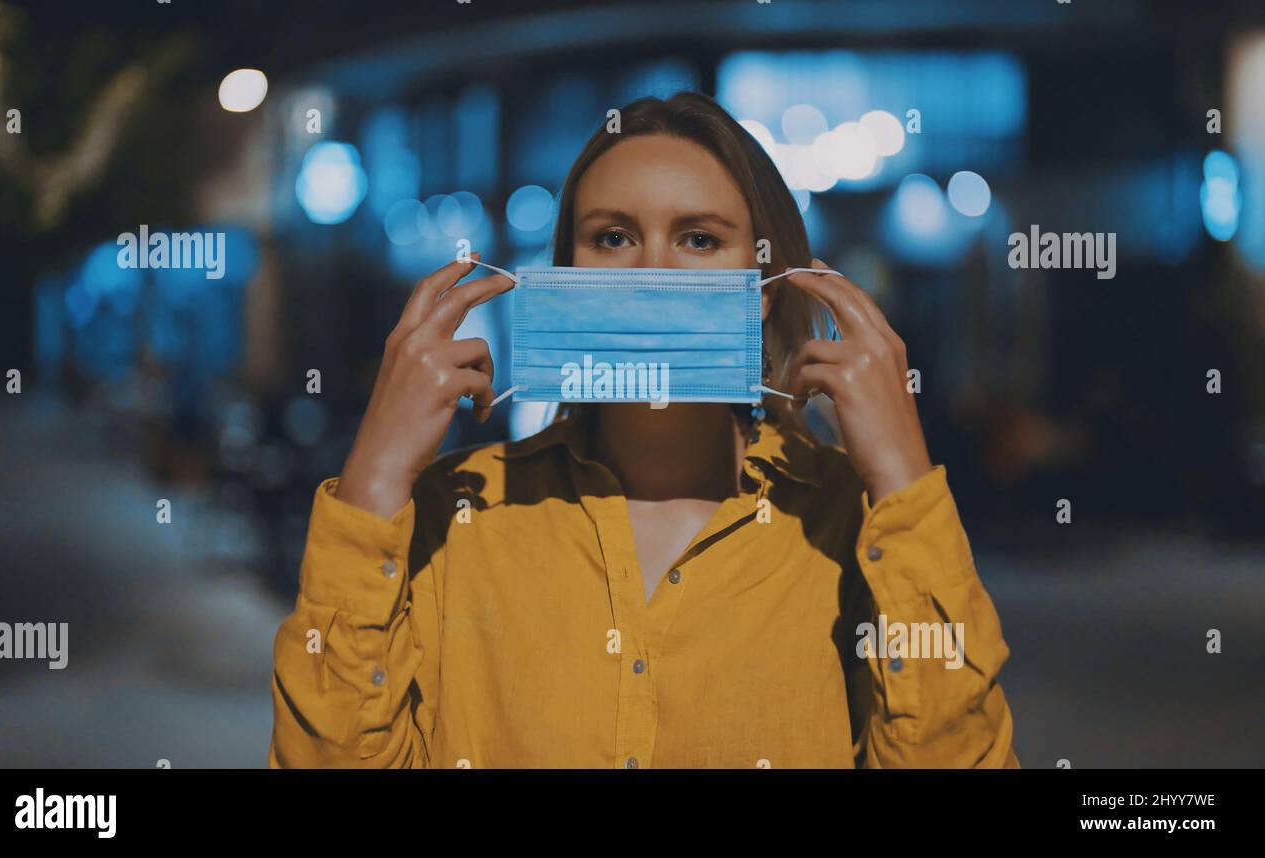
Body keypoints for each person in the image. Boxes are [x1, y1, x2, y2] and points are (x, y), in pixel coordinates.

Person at [269, 92, 1018, 768]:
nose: (649, 273)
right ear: (565, 276)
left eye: (698, 239)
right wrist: (371, 478)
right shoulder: (453, 519)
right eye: (613, 238)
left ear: (761, 289)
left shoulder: (850, 527)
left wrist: (905, 484)